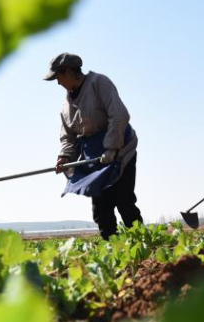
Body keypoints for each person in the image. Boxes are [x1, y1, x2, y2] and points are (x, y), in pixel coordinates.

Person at [44, 52, 143, 240]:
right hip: (94, 158)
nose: (57, 83)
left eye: (58, 77)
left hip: (121, 150)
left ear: (68, 72)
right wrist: (64, 157)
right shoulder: (66, 105)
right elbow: (68, 137)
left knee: (124, 202)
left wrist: (112, 147)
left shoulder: (99, 83)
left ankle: (142, 245)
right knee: (101, 211)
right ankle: (114, 251)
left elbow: (119, 114)